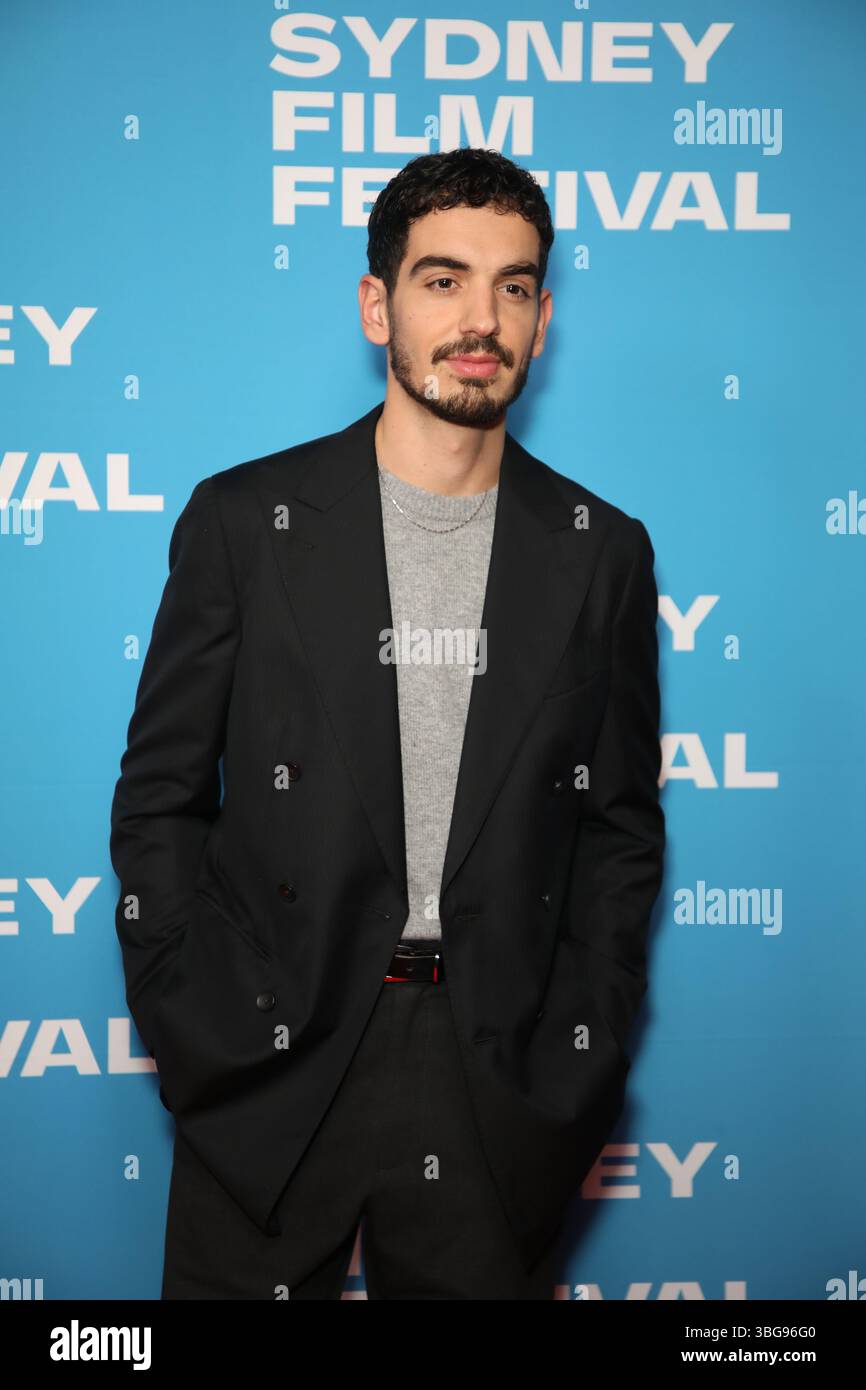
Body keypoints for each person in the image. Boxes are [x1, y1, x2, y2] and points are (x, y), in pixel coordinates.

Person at [109, 146, 665, 1300]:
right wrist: (188, 1006)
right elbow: (160, 795)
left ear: (543, 318)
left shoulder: (599, 551)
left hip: (489, 1069)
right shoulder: (244, 523)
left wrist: (588, 1028)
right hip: (273, 1050)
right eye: (442, 279)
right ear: (378, 305)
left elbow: (617, 829)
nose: (480, 319)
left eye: (512, 286)